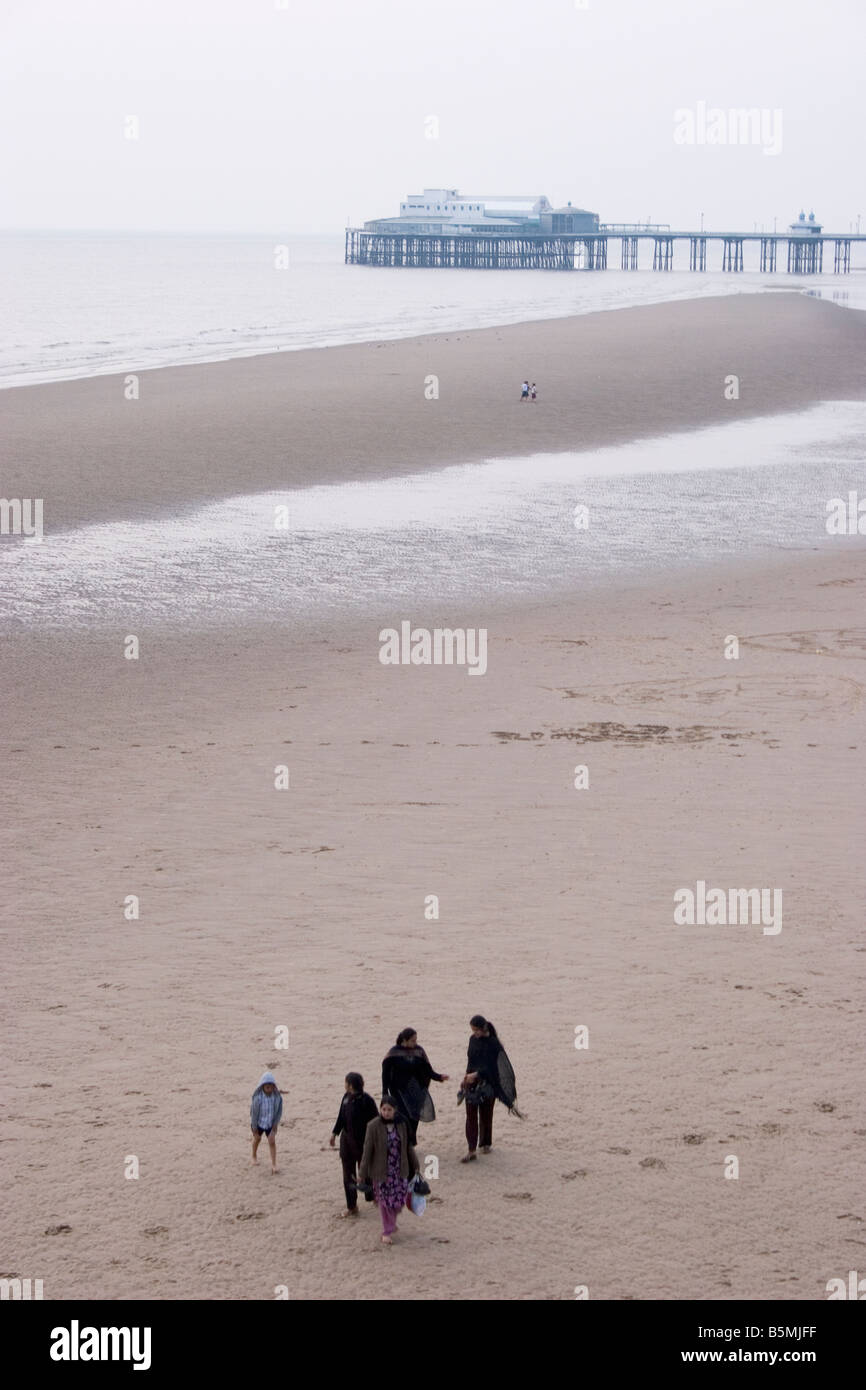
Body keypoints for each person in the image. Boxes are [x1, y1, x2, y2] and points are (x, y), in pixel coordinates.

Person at [358, 1094, 420, 1245]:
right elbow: (367, 1150)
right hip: (381, 1172)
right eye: (383, 1109)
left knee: (399, 1201)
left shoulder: (402, 1124)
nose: (386, 1112)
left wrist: (416, 1165)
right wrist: (362, 1172)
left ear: (395, 1110)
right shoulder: (373, 1126)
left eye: (389, 1110)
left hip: (399, 1169)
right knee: (385, 1202)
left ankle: (391, 1222)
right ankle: (387, 1230)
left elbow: (408, 1147)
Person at [459, 1015, 519, 1162]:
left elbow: (493, 1067)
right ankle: (471, 1149)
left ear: (483, 1028)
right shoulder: (472, 1040)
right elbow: (471, 1060)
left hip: (489, 1083)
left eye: (476, 1030)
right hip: (472, 1082)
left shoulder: (494, 1044)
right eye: (472, 1030)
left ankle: (485, 1144)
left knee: (486, 1115)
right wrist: (466, 1077)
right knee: (471, 1116)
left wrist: (477, 1074)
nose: (474, 1033)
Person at [381, 1028, 449, 1145]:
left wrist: (439, 1077)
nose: (415, 1043)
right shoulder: (393, 1053)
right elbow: (385, 1074)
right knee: (403, 1116)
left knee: (414, 1117)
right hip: (399, 1090)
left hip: (416, 1089)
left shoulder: (419, 1051)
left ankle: (411, 1142)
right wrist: (384, 1091)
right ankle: (403, 1141)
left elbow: (428, 1069)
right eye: (412, 1041)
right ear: (404, 1040)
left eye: (416, 1040)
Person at [329, 1072, 378, 1217]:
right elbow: (341, 1117)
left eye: (346, 1083)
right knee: (348, 1174)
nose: (345, 1085)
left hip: (364, 1143)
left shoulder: (367, 1100)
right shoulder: (346, 1098)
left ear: (350, 1085)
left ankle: (373, 1196)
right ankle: (352, 1206)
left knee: (366, 1172)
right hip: (347, 1142)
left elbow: (376, 1122)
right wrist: (334, 1133)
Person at [250, 1070, 283, 1174]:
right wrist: (254, 1128)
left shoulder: (276, 1097)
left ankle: (274, 1164)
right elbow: (254, 1113)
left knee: (272, 1142)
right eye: (267, 1087)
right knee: (257, 1139)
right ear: (262, 1086)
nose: (269, 1089)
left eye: (271, 1086)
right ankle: (254, 1155)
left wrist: (275, 1124)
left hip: (270, 1124)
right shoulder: (258, 1098)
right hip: (258, 1123)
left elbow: (279, 1111)